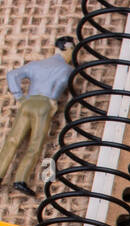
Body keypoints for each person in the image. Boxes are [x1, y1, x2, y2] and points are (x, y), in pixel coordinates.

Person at [0, 36, 76, 199]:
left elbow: (12, 74)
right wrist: (53, 99)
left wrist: (19, 96)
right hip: (44, 104)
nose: (72, 54)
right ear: (67, 49)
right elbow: (63, 81)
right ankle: (20, 179)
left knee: (13, 139)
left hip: (27, 101)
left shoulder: (37, 65)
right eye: (71, 50)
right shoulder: (67, 69)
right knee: (35, 142)